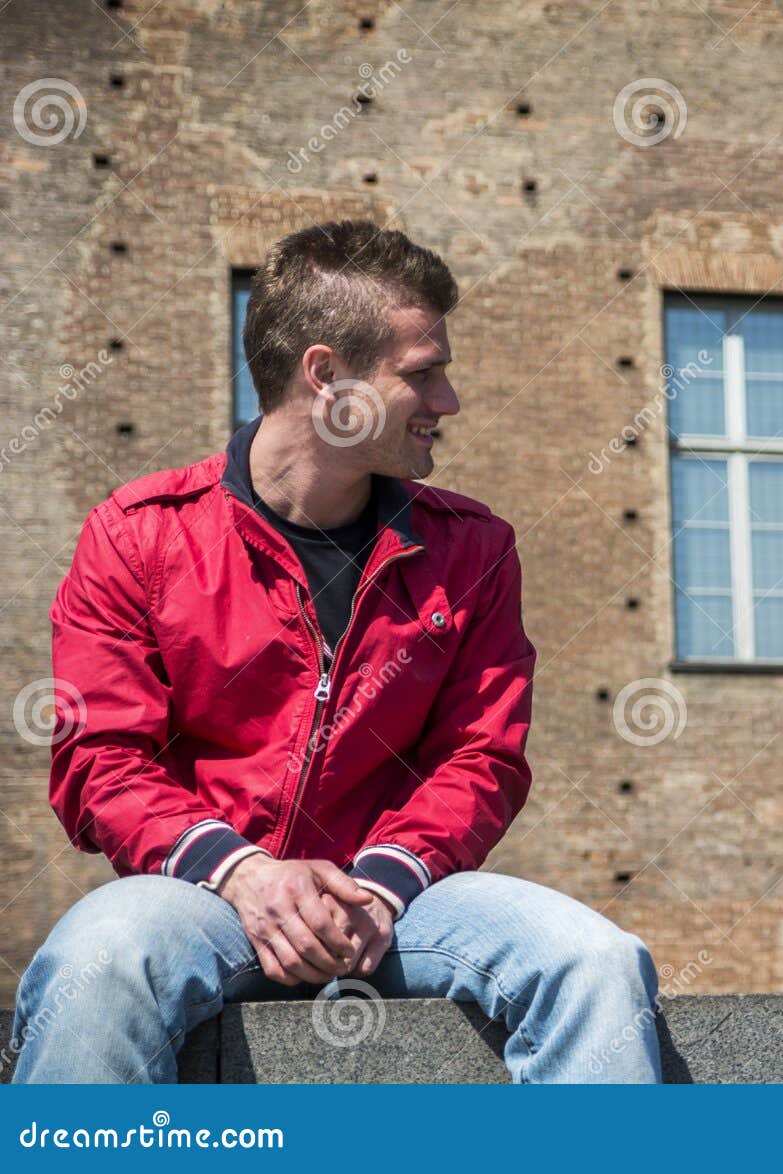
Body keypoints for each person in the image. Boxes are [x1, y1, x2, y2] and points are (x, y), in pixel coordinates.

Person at [10, 220, 661, 1084]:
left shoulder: (472, 549)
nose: (448, 402)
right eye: (422, 375)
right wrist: (241, 872)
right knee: (98, 961)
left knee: (597, 963)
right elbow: (102, 760)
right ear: (327, 378)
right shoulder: (141, 537)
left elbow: (482, 757)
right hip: (200, 898)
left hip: (401, 902)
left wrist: (385, 883)